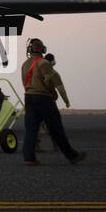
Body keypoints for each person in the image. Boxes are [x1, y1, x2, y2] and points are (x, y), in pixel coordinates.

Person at [20, 38, 86, 166]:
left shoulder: (25, 64)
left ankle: (29, 158)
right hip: (43, 98)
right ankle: (72, 156)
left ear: (30, 49)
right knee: (55, 127)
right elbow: (51, 82)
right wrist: (61, 98)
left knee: (31, 129)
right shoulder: (44, 63)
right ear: (43, 49)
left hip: (29, 97)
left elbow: (24, 82)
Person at [35, 53, 64, 153]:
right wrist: (66, 101)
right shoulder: (52, 73)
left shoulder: (37, 72)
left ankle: (38, 145)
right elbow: (60, 88)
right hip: (48, 101)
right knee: (52, 124)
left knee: (42, 125)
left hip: (37, 100)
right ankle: (56, 145)